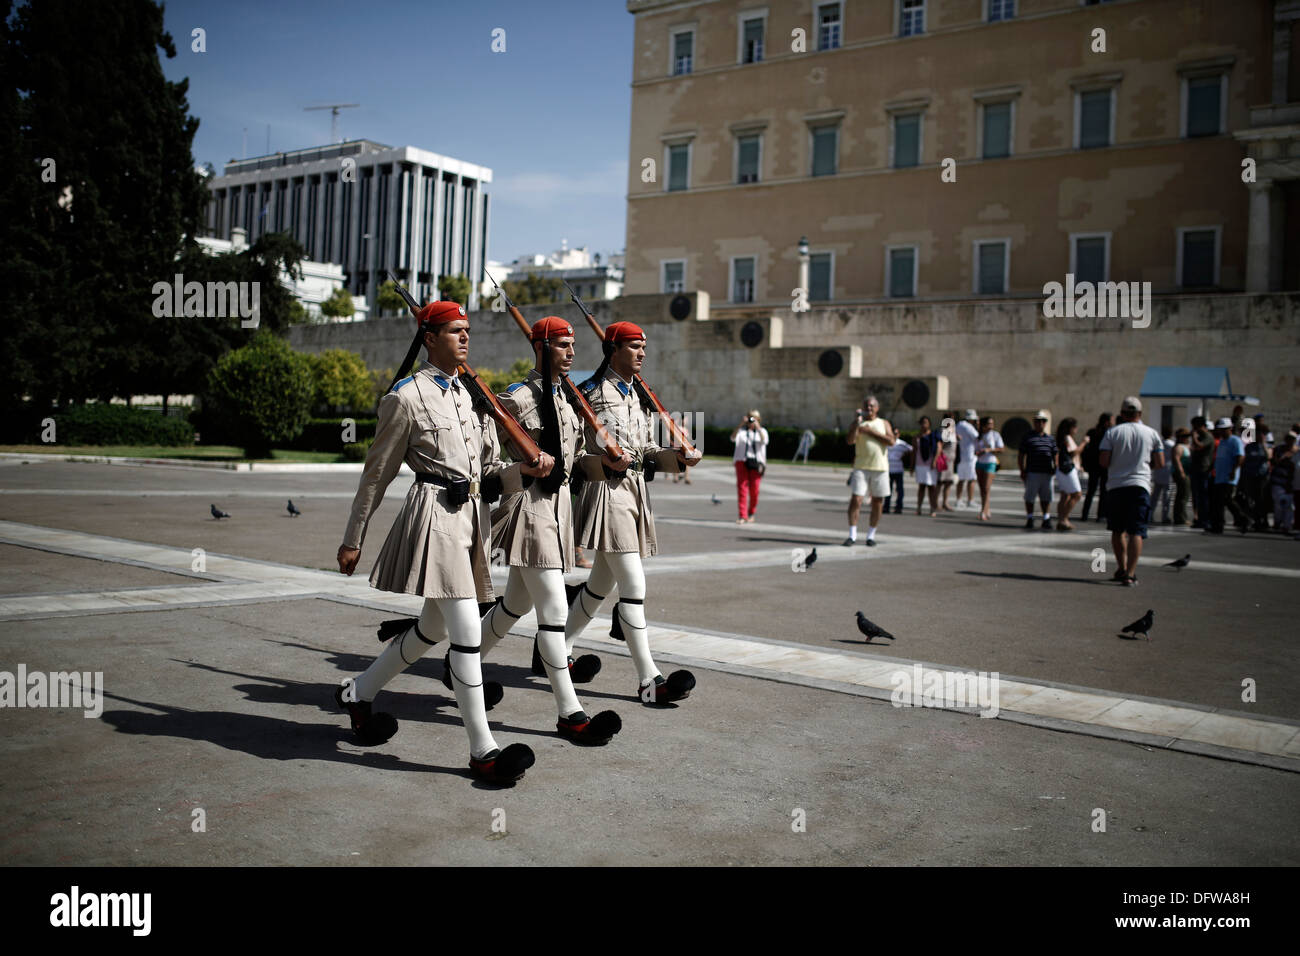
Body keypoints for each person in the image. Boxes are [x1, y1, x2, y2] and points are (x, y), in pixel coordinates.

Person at [334, 300, 555, 785]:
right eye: (454, 331)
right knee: (467, 634)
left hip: (471, 521)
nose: (464, 337)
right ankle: (483, 750)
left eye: (467, 330)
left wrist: (524, 470)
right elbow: (377, 475)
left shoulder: (473, 398)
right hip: (435, 518)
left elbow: (490, 476)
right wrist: (354, 538)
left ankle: (359, 692)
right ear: (429, 339)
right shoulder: (406, 397)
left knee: (431, 629)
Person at [476, 316, 621, 745]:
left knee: (515, 605)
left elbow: (574, 462)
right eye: (561, 345)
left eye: (572, 344)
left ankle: (460, 662)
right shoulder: (519, 398)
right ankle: (570, 714)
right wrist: (509, 471)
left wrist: (608, 463)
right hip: (529, 509)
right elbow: (485, 449)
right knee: (555, 614)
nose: (571, 352)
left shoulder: (567, 398)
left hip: (558, 512)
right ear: (540, 348)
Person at [566, 321, 702, 704]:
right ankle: (649, 679)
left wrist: (679, 458)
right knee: (634, 586)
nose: (642, 353)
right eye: (634, 346)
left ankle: (555, 650)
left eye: (644, 346)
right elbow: (572, 449)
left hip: (635, 493)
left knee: (599, 587)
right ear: (613, 349)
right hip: (607, 494)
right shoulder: (589, 393)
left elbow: (645, 452)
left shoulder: (637, 395)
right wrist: (600, 461)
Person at [1098, 396, 1164, 586]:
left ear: (1122, 413)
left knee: (1117, 530)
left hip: (1117, 486)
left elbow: (1103, 461)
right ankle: (1131, 573)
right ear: (1140, 414)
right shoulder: (1151, 433)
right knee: (1137, 531)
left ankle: (1121, 567)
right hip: (1140, 485)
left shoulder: (1112, 433)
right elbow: (1159, 463)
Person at [844, 396, 895, 545]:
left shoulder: (883, 423)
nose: (869, 408)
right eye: (866, 406)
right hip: (861, 467)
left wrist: (871, 432)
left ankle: (871, 535)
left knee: (878, 502)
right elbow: (849, 441)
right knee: (856, 499)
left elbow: (891, 441)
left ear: (877, 408)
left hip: (880, 468)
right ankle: (852, 535)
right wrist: (856, 424)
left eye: (872, 406)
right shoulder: (859, 424)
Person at [1018, 411, 1058, 530]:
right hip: (1032, 471)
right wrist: (1022, 470)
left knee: (1046, 497)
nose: (1040, 423)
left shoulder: (1050, 439)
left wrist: (1056, 466)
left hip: (1047, 472)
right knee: (1030, 497)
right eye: (1038, 421)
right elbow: (1021, 455)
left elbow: (1055, 453)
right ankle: (1030, 517)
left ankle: (1046, 518)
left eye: (1043, 421)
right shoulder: (1028, 437)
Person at [1207, 416, 1247, 534]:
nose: (1222, 431)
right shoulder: (1222, 442)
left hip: (1229, 476)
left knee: (1228, 499)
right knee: (1218, 502)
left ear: (1230, 428)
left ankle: (1243, 519)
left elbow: (1240, 457)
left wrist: (1234, 471)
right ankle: (1217, 525)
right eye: (1220, 429)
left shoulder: (1235, 440)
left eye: (1224, 429)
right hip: (1219, 476)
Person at [731, 409, 769, 523]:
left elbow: (764, 440)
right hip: (741, 461)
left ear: (758, 420)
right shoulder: (741, 432)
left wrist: (757, 427)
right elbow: (732, 438)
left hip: (756, 463)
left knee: (754, 490)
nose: (752, 420)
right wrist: (741, 424)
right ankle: (742, 515)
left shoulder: (762, 431)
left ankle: (751, 512)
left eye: (755, 418)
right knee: (742, 489)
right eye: (750, 417)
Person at [1053, 417, 1085, 530]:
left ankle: (1061, 520)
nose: (1076, 429)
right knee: (1077, 494)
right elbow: (1074, 452)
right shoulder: (1067, 438)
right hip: (1067, 469)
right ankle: (1064, 519)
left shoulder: (1063, 438)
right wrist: (1084, 443)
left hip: (1063, 469)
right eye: (1075, 427)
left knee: (1064, 495)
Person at [1080, 413, 1111, 521]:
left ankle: (1085, 514)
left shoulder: (1092, 432)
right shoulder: (1108, 433)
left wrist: (1085, 464)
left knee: (1091, 491)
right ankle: (1101, 514)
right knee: (1103, 491)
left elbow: (1086, 450)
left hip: (1093, 466)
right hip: (1103, 465)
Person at [1242, 419, 1272, 531]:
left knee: (1261, 499)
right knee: (1249, 499)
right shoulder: (1249, 447)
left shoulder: (1266, 446)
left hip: (1262, 477)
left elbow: (1269, 457)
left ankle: (1262, 521)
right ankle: (1252, 520)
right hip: (1250, 476)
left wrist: (1263, 443)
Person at [974, 416, 1004, 521]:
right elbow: (975, 449)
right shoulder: (979, 436)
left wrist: (989, 450)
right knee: (983, 489)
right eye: (989, 424)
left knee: (986, 488)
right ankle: (987, 509)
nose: (991, 426)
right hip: (979, 463)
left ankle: (983, 511)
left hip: (990, 463)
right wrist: (978, 452)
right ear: (983, 425)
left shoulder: (995, 435)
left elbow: (1001, 449)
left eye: (992, 424)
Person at [1188, 415, 1215, 528]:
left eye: (1195, 427)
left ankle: (1205, 520)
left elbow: (1200, 447)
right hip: (1196, 469)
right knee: (1197, 496)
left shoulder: (1208, 436)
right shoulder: (1200, 436)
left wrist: (1194, 437)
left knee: (1204, 497)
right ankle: (1199, 519)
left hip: (1203, 469)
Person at [1269, 434, 1296, 534]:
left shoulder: (1296, 450)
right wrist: (1286, 455)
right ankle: (1277, 522)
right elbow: (1275, 461)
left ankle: (1287, 525)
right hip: (1278, 480)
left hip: (1291, 482)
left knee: (1290, 506)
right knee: (1279, 503)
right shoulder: (1280, 449)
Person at [913, 415, 940, 516]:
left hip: (930, 464)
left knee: (931, 488)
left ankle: (932, 509)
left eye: (926, 422)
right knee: (921, 487)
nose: (924, 424)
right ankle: (919, 508)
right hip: (920, 464)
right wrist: (912, 466)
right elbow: (914, 452)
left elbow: (938, 448)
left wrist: (934, 461)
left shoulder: (933, 435)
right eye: (922, 422)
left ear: (929, 424)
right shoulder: (917, 437)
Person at [883, 426, 911, 514]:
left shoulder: (902, 444)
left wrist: (905, 456)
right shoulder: (886, 443)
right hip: (888, 470)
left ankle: (899, 507)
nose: (894, 435)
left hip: (898, 470)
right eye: (893, 433)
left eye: (896, 433)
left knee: (899, 490)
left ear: (898, 434)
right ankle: (886, 507)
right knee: (888, 490)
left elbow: (912, 450)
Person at [955, 410, 979, 509]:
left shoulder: (959, 425)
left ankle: (959, 499)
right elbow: (977, 437)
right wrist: (978, 425)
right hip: (969, 456)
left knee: (961, 479)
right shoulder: (968, 426)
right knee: (972, 479)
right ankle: (970, 500)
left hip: (961, 456)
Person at [1150, 426, 1174, 525]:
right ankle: (1165, 516)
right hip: (1168, 472)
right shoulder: (1172, 444)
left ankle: (1150, 514)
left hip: (1158, 471)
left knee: (1155, 496)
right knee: (1166, 496)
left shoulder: (1159, 443)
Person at [1171, 427, 1192, 526]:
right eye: (1185, 436)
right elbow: (1177, 460)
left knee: (1183, 495)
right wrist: (1181, 472)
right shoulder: (1179, 447)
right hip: (1181, 473)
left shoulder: (1185, 446)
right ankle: (1181, 518)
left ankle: (1180, 517)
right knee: (1183, 495)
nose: (1187, 438)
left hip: (1186, 472)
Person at [936, 420, 957, 511]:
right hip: (944, 459)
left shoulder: (953, 432)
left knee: (948, 482)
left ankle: (945, 502)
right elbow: (941, 444)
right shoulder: (943, 432)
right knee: (940, 482)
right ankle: (936, 502)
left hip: (951, 461)